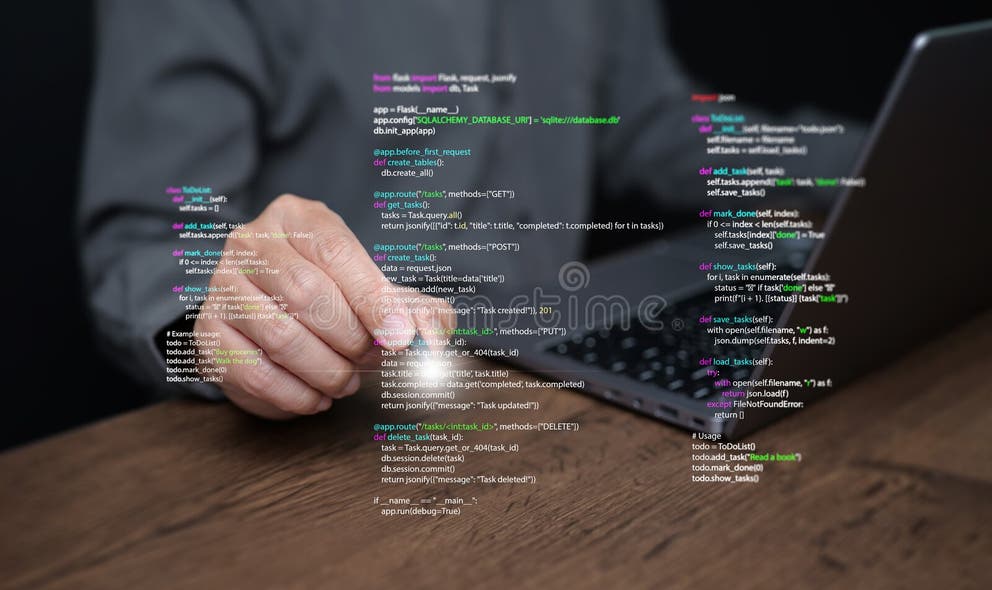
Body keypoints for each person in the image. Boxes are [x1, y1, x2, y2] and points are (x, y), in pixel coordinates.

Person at [79, 0, 861, 419]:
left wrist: (869, 155)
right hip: (353, 420)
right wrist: (224, 323)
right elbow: (150, 237)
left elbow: (652, 125)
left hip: (567, 383)